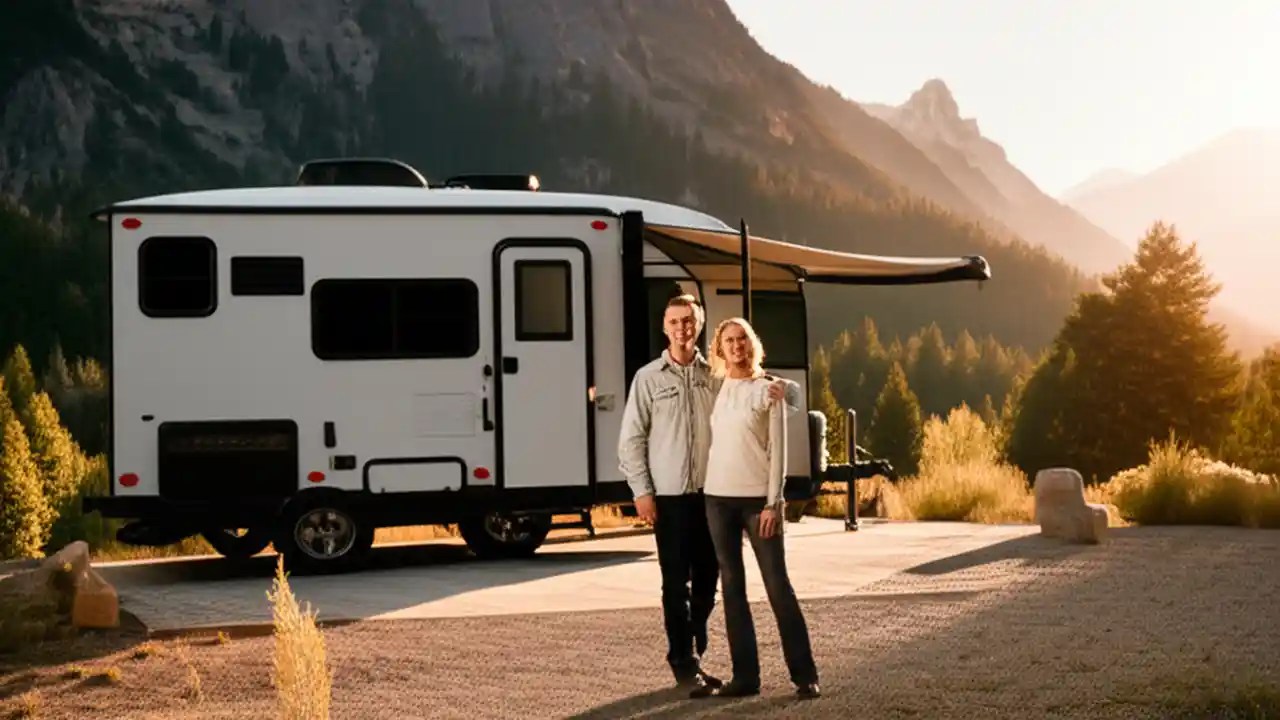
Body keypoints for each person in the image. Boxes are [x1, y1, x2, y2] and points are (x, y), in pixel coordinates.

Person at [617, 294, 793, 690]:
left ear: (698, 327)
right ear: (665, 328)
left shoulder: (716, 376)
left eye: (689, 321)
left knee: (711, 579)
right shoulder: (648, 378)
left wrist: (788, 393)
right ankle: (684, 662)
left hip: (713, 496)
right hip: (669, 496)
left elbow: (759, 389)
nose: (682, 328)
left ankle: (694, 645)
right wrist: (641, 491)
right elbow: (631, 439)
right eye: (675, 321)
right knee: (675, 581)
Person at [692, 317, 820, 700]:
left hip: (757, 502)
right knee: (731, 586)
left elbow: (778, 450)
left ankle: (805, 674)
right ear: (719, 349)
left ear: (753, 345)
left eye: (742, 339)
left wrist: (773, 502)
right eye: (729, 341)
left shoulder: (770, 390)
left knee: (777, 585)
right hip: (717, 498)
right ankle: (745, 678)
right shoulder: (716, 387)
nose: (736, 346)